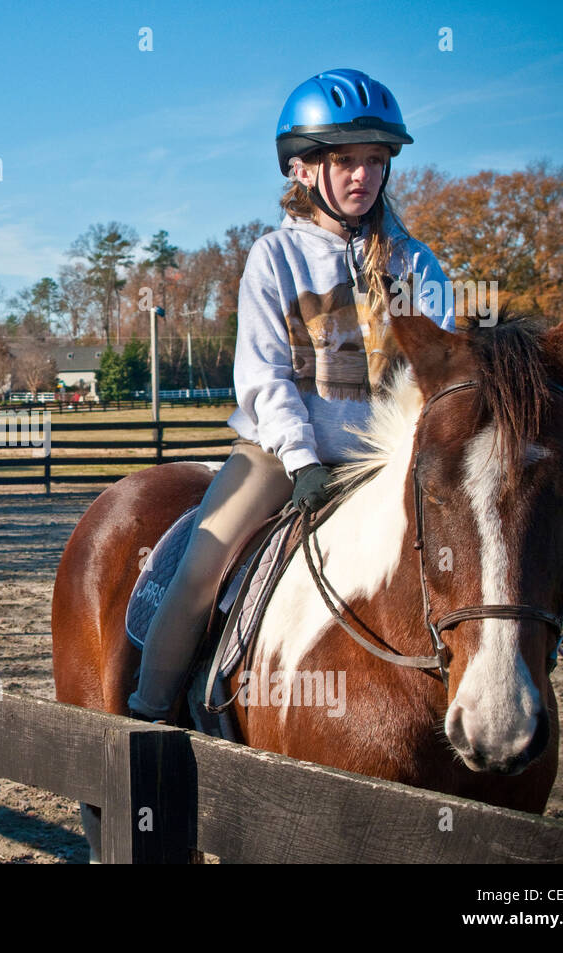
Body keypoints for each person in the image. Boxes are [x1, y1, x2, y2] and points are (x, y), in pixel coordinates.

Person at [128, 68, 456, 722]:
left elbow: (442, 369)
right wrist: (303, 460)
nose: (363, 175)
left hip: (386, 460)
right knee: (202, 565)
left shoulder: (417, 264)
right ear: (304, 169)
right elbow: (262, 375)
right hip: (280, 456)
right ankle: (148, 714)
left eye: (374, 160)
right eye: (345, 161)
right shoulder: (274, 258)